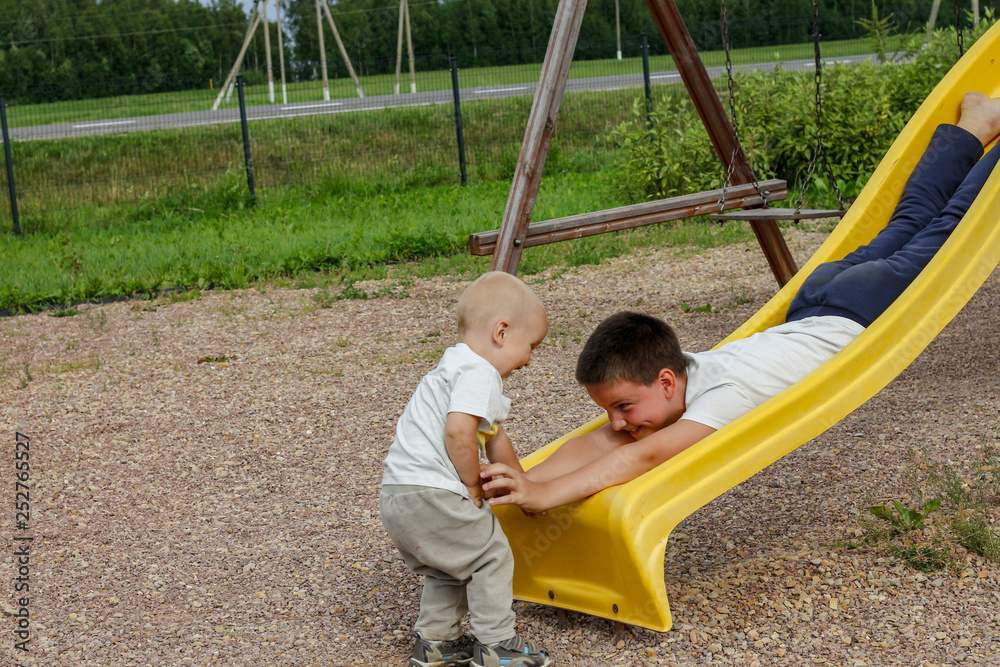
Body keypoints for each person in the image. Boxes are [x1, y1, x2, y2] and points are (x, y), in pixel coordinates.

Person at [480, 91, 1000, 515]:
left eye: (621, 407)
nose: (617, 424)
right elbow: (598, 445)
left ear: (666, 381)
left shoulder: (719, 399)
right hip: (819, 299)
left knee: (948, 228)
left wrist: (544, 493)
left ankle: (985, 132)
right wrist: (521, 482)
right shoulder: (680, 381)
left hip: (850, 309)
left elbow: (643, 455)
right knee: (915, 224)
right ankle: (974, 125)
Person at [380, 271, 553, 667]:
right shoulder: (480, 373)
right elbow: (460, 434)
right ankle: (498, 646)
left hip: (398, 495)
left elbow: (495, 437)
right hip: (436, 492)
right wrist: (473, 483)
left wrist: (523, 488)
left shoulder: (452, 367)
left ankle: (436, 643)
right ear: (502, 332)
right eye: (532, 345)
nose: (529, 359)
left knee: (448, 566)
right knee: (490, 556)